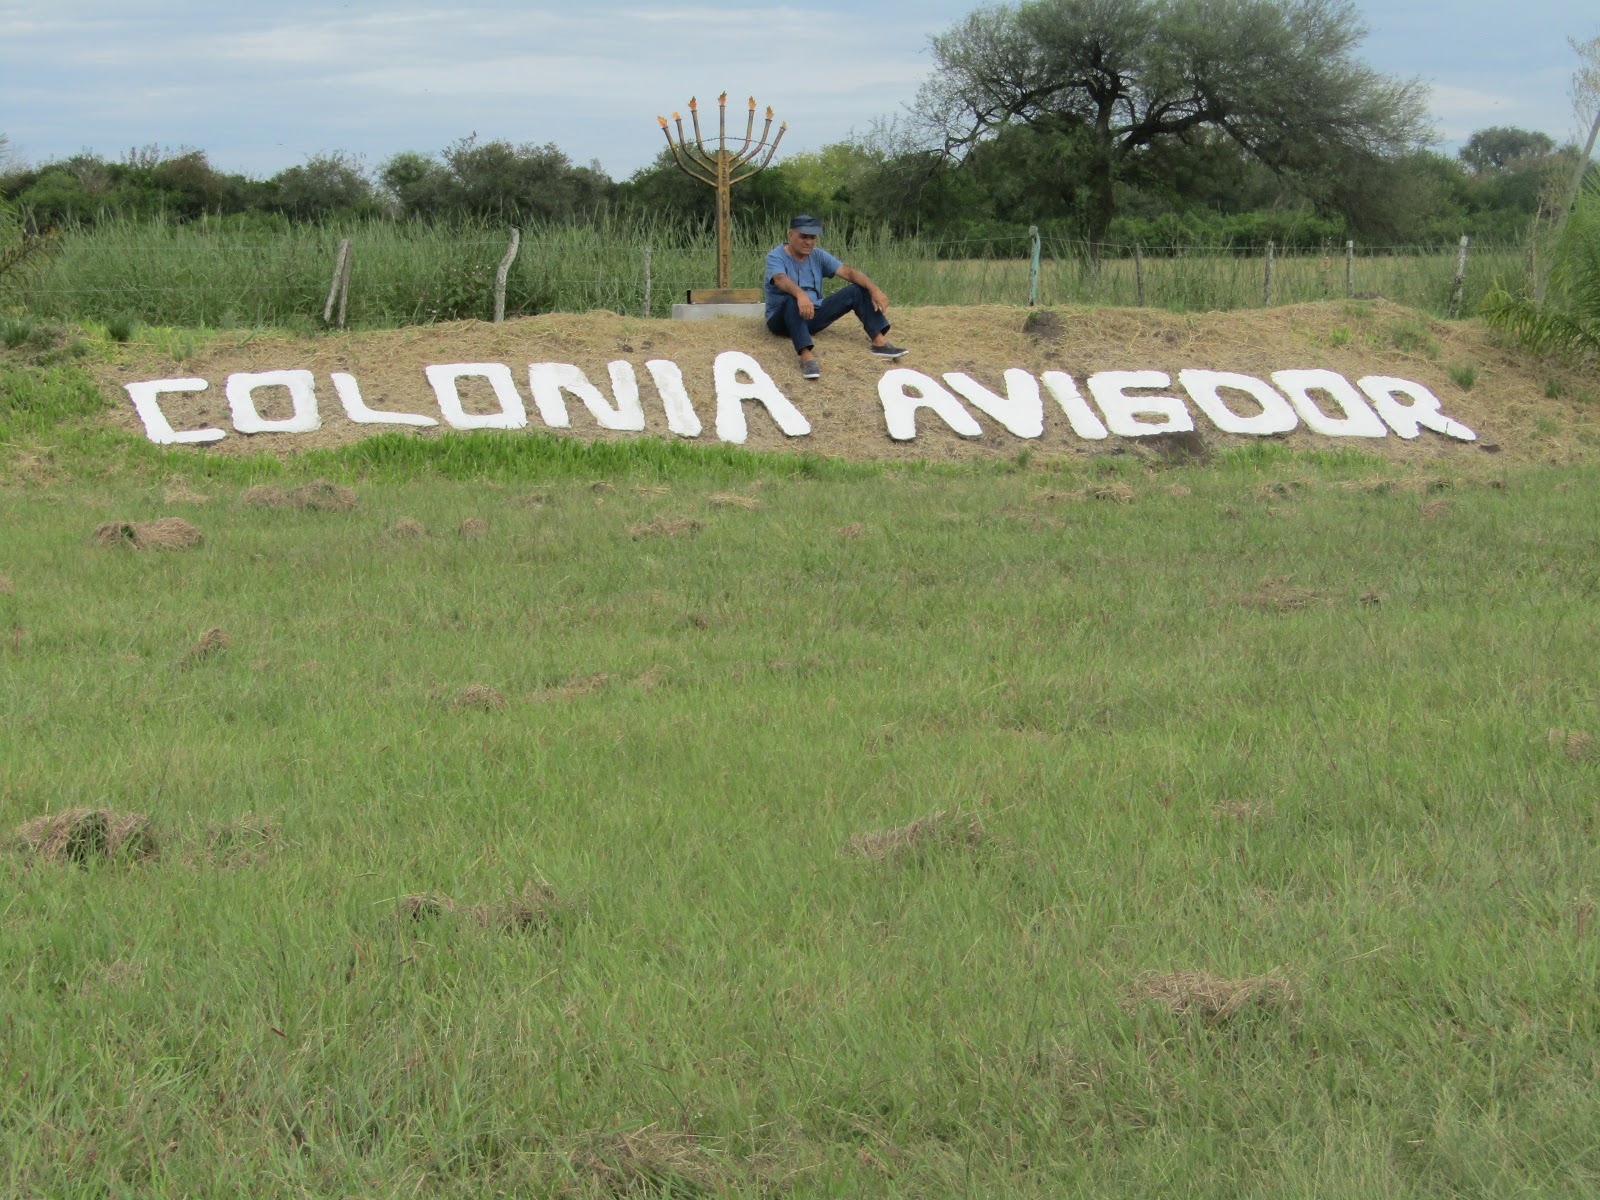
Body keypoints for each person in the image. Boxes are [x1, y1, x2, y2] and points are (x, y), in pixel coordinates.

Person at [764, 214, 907, 379]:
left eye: (812, 237)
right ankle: (806, 356)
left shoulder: (817, 255)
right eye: (803, 236)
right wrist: (800, 294)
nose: (808, 242)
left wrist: (874, 288)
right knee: (792, 298)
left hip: (812, 314)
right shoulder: (775, 256)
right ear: (790, 234)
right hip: (781, 320)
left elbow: (847, 272)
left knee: (856, 289)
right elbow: (780, 279)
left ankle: (879, 341)